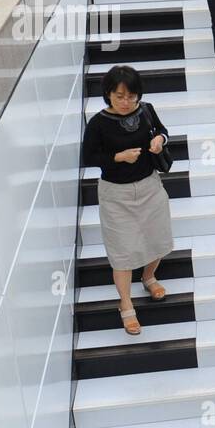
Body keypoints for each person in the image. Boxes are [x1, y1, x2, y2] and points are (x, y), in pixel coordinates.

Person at [81, 65, 174, 336]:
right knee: (121, 252)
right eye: (119, 96)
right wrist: (117, 157)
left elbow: (163, 131)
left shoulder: (146, 109)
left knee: (158, 238)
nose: (125, 102)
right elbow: (89, 156)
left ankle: (148, 277)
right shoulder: (98, 123)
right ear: (108, 94)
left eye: (131, 96)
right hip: (116, 193)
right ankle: (126, 305)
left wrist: (159, 139)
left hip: (149, 186)